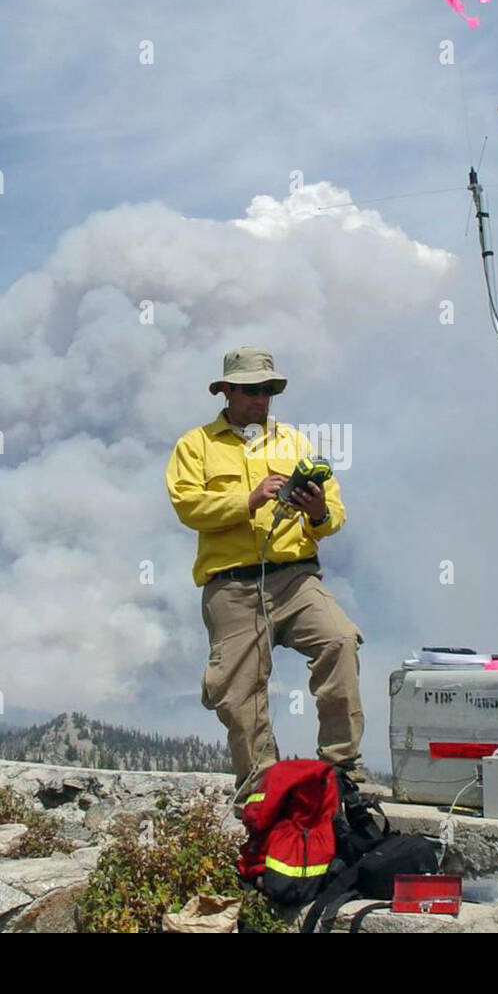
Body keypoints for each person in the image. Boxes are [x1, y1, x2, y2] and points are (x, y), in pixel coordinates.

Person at [165, 346, 367, 808]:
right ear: (227, 391)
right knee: (238, 692)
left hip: (296, 578)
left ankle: (341, 770)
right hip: (231, 586)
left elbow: (333, 512)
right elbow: (187, 506)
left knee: (339, 641)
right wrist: (248, 500)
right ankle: (262, 789)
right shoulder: (195, 445)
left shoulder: (294, 443)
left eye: (268, 390)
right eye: (252, 390)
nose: (261, 399)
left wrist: (317, 511)